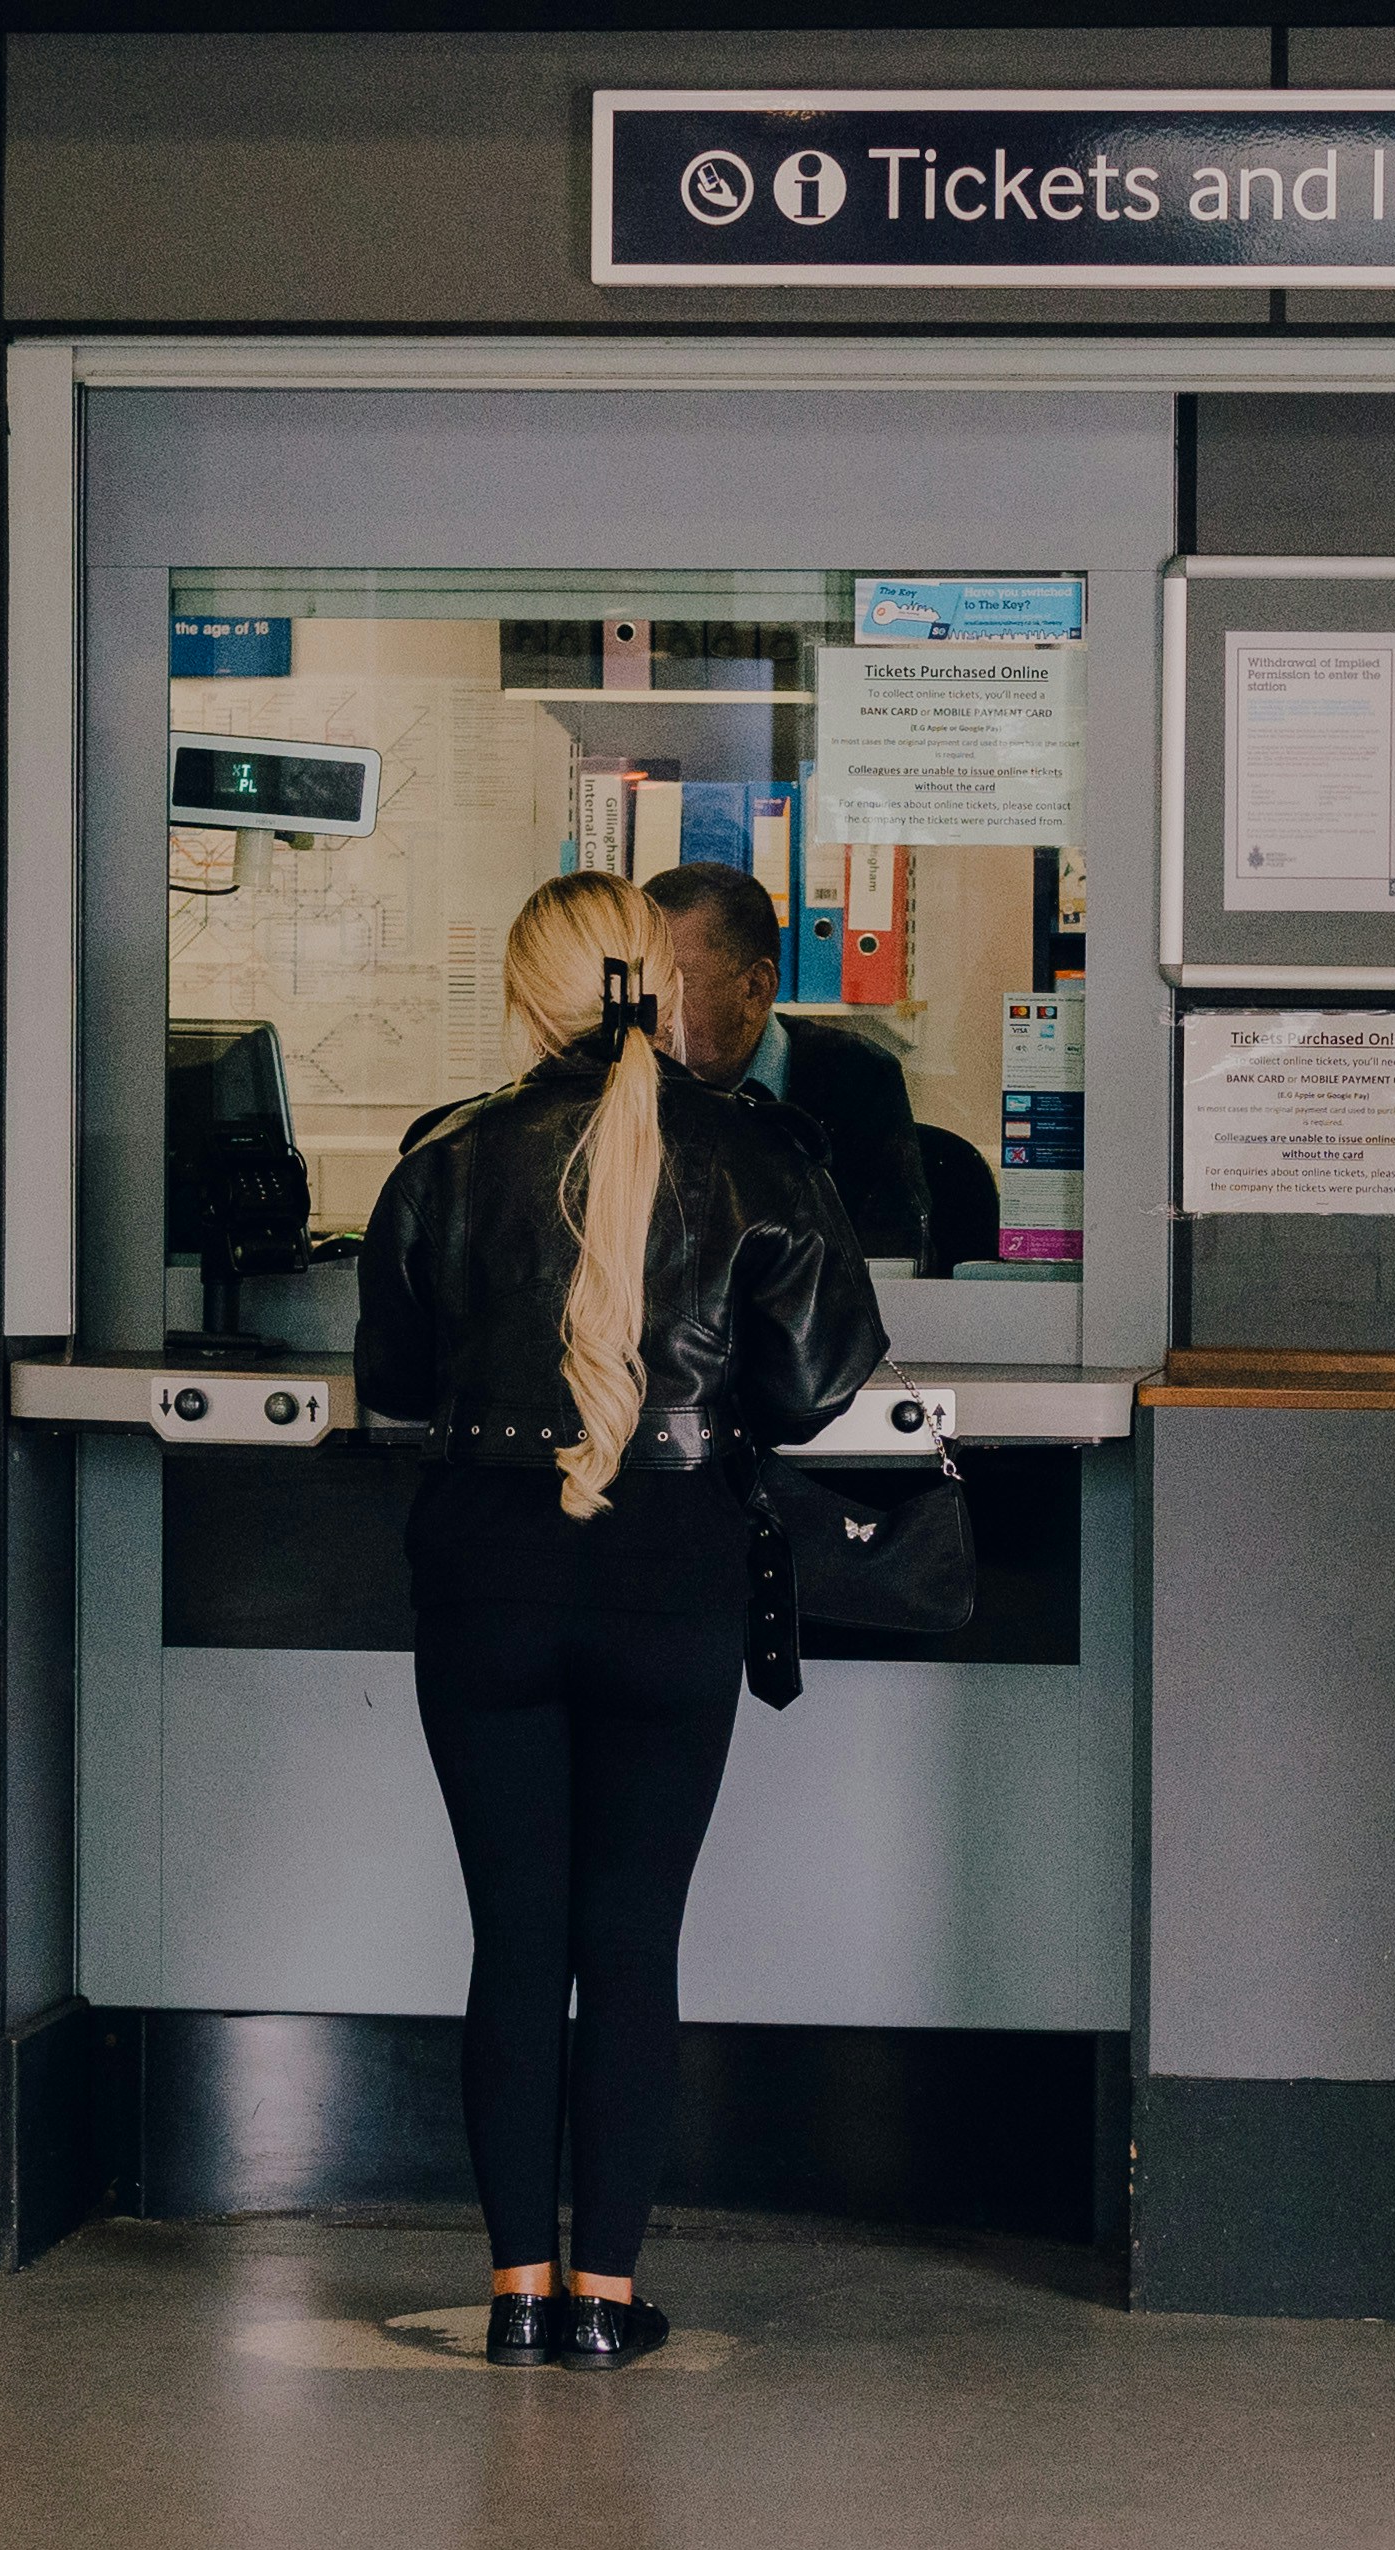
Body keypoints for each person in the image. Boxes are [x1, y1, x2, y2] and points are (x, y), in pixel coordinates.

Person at [355, 872, 885, 2369]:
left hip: (485, 1576)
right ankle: (605, 2306)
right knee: (632, 1937)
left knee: (513, 1934)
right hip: (672, 1578)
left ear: (526, 996)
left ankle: (517, 2287)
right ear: (660, 980)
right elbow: (814, 1382)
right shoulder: (761, 1153)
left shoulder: (443, 1159)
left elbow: (393, 1386)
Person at [644, 861, 938, 1272]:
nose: (650, 1009)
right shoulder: (626, 1079)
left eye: (674, 983)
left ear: (755, 988)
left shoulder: (860, 1079)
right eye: (641, 980)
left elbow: (889, 1266)